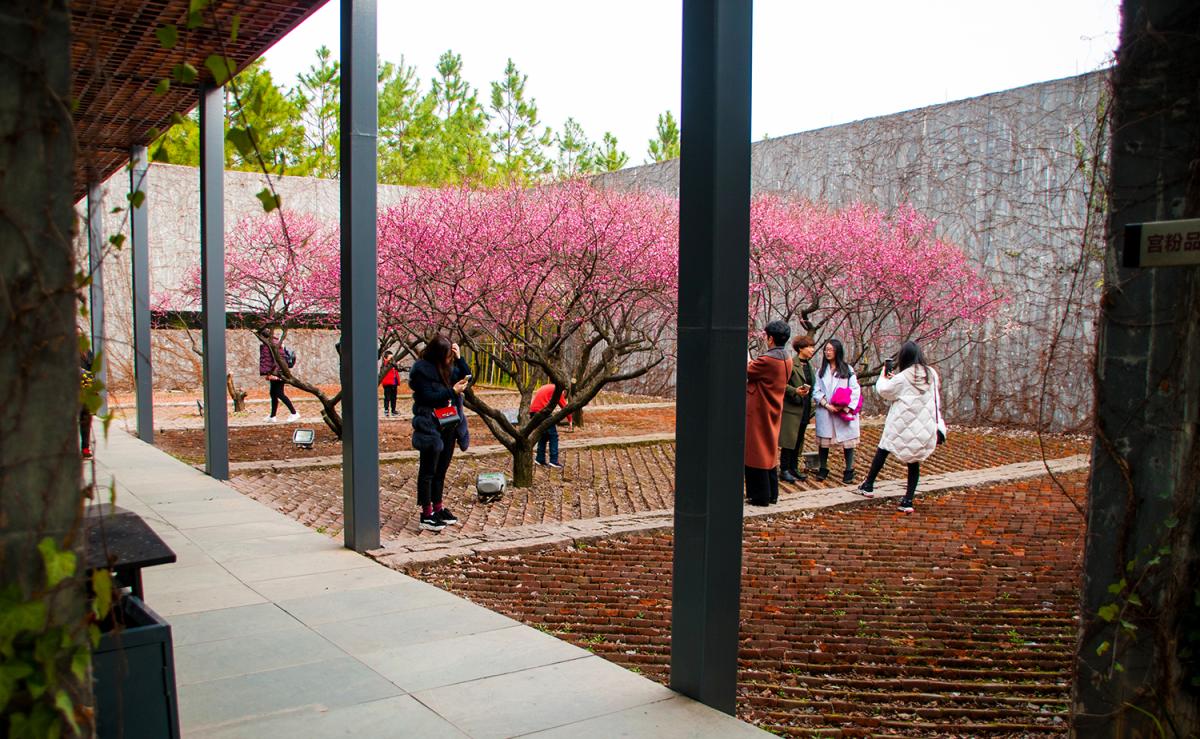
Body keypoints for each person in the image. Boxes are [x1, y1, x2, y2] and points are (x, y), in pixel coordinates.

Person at [857, 341, 946, 513]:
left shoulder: (904, 377)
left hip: (900, 424)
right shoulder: (931, 374)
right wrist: (938, 423)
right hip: (923, 426)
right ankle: (908, 500)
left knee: (883, 450)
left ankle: (868, 485)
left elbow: (884, 390)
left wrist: (884, 375)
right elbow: (936, 401)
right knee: (913, 462)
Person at [409, 335, 471, 531]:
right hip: (430, 425)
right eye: (447, 356)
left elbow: (468, 378)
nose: (449, 360)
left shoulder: (447, 368)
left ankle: (438, 507)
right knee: (428, 470)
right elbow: (428, 397)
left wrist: (460, 359)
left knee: (441, 469)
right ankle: (426, 514)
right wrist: (452, 391)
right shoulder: (422, 371)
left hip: (448, 423)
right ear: (437, 354)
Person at [745, 320, 793, 506]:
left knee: (756, 451)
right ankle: (772, 493)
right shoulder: (786, 358)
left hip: (759, 409)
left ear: (770, 338)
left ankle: (760, 496)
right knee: (770, 449)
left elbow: (749, 370)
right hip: (774, 407)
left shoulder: (768, 360)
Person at [811, 338, 861, 483]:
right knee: (824, 441)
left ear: (837, 351)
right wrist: (826, 404)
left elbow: (854, 389)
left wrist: (845, 407)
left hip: (843, 409)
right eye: (826, 349)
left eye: (831, 350)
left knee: (847, 441)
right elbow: (816, 391)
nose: (828, 352)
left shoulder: (847, 369)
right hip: (826, 410)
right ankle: (823, 467)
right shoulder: (820, 371)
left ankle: (849, 469)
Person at [779, 335, 817, 482]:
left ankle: (794, 467)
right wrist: (795, 391)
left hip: (805, 407)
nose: (812, 350)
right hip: (792, 408)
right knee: (789, 440)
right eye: (809, 347)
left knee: (799, 439)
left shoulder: (809, 365)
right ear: (801, 348)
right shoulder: (791, 363)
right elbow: (781, 383)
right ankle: (784, 469)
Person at [258, 327, 299, 423]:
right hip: (275, 372)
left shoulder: (273, 344)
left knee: (279, 393)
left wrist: (274, 373)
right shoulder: (269, 343)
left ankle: (294, 413)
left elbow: (279, 359)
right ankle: (272, 416)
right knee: (273, 393)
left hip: (278, 373)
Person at [531, 382, 570, 469]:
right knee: (553, 436)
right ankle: (554, 461)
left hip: (533, 411)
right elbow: (565, 407)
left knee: (543, 435)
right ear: (564, 391)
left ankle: (539, 459)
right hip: (543, 412)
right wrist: (570, 420)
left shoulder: (547, 386)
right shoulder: (558, 390)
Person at [379, 350, 400, 417]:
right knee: (387, 397)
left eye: (392, 358)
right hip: (388, 383)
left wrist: (397, 364)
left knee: (394, 397)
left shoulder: (394, 364)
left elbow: (397, 369)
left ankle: (393, 410)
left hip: (394, 382)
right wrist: (388, 361)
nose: (391, 359)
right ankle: (386, 410)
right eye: (390, 358)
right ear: (385, 358)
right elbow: (383, 369)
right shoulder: (385, 364)